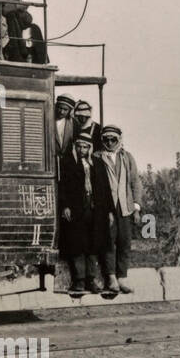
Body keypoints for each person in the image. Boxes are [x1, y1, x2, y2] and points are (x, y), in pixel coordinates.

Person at [58, 126, 114, 295]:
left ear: (90, 148)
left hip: (96, 211)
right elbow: (62, 187)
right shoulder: (67, 163)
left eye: (85, 147)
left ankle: (91, 280)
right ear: (75, 146)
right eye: (79, 146)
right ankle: (79, 281)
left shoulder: (97, 164)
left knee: (93, 246)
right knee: (77, 246)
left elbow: (105, 189)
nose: (82, 150)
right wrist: (65, 206)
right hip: (77, 210)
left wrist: (109, 211)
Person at [97, 124, 141, 294]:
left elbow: (135, 182)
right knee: (108, 242)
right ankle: (111, 277)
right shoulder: (97, 157)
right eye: (106, 139)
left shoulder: (127, 157)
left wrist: (136, 207)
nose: (109, 142)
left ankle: (122, 276)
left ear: (119, 140)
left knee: (124, 242)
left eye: (113, 139)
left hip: (125, 207)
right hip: (106, 207)